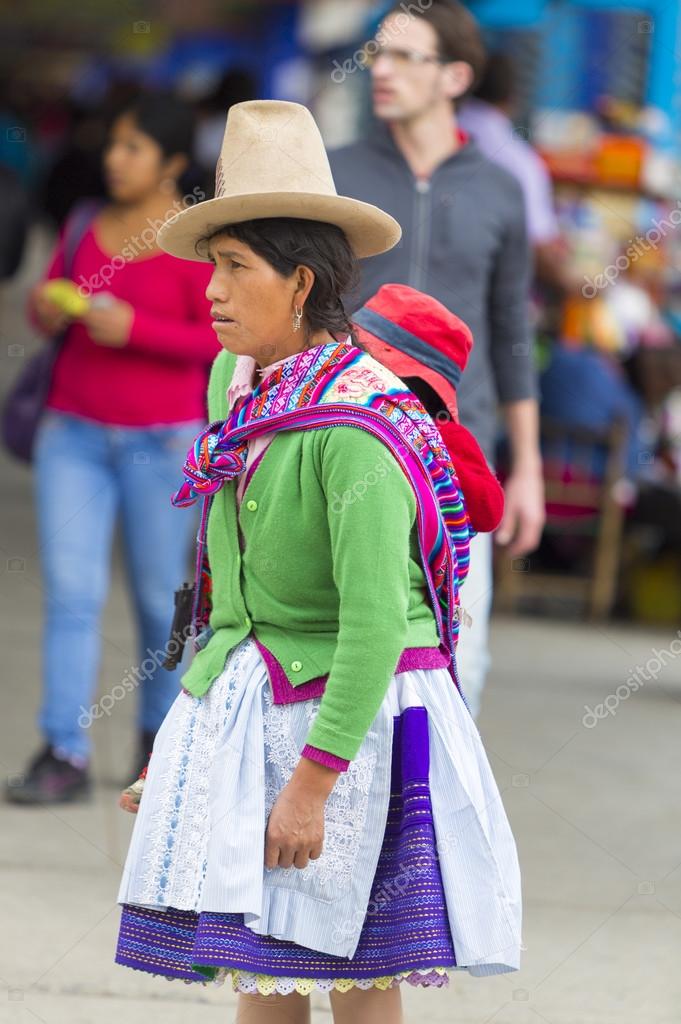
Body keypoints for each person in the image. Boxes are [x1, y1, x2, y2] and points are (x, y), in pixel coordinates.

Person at [113, 98, 522, 1021]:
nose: (209, 292)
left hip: (357, 714)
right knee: (265, 969)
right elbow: (236, 595)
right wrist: (191, 744)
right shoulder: (240, 380)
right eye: (210, 266)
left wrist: (311, 786)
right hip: (266, 692)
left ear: (299, 285)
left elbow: (374, 625)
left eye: (233, 268)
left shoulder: (355, 428)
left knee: (353, 975)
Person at [328, 0, 545, 720]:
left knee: (459, 659)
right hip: (342, 438)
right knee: (341, 641)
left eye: (402, 56)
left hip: (457, 455)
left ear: (454, 75)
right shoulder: (335, 175)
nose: (380, 72)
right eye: (375, 55)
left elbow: (511, 330)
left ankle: (426, 828)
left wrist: (527, 470)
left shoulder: (501, 188)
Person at [5, 92, 220, 806]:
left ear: (173, 163)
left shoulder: (197, 243)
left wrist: (135, 329)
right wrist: (48, 306)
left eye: (133, 147)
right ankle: (62, 749)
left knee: (162, 602)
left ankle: (160, 746)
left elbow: (218, 342)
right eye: (114, 145)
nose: (114, 159)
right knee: (72, 595)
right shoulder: (84, 222)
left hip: (163, 440)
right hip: (73, 432)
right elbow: (50, 298)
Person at [458, 51, 573, 290]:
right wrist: (572, 285)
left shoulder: (435, 135)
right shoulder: (521, 162)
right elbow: (537, 245)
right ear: (512, 98)